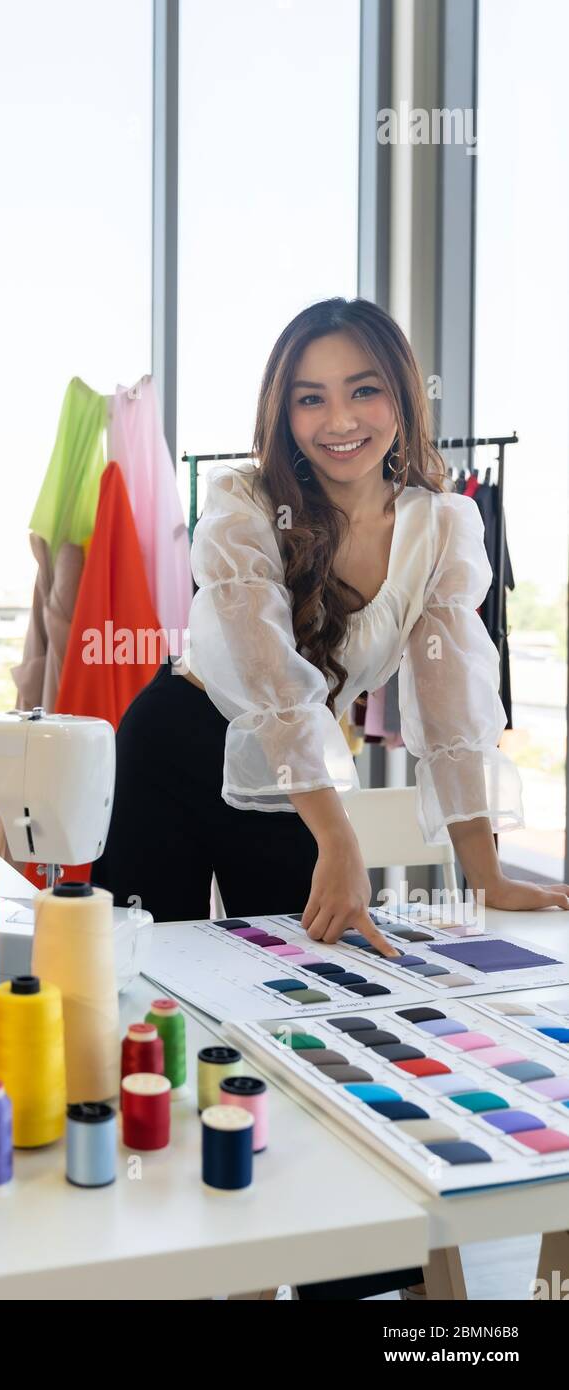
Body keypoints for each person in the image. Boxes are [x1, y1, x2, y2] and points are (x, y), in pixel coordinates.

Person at [92, 296, 569, 1300]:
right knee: (143, 998)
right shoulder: (236, 504)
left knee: (308, 1011)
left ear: (400, 398)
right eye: (308, 398)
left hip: (284, 782)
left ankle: (331, 1265)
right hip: (178, 747)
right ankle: (157, 1246)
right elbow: (270, 680)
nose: (336, 418)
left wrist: (481, 866)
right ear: (281, 411)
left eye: (361, 389)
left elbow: (446, 695)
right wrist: (337, 833)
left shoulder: (443, 525)